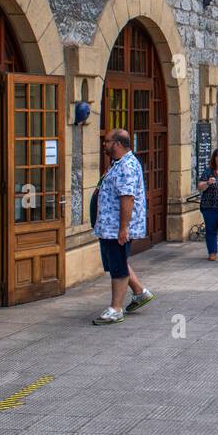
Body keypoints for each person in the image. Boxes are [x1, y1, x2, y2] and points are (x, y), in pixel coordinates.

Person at [92, 128, 154, 324]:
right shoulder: (118, 164)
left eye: (107, 141)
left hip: (115, 228)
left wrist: (123, 228)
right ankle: (139, 292)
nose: (104, 144)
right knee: (118, 262)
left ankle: (115, 309)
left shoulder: (126, 166)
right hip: (108, 227)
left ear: (117, 144)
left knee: (118, 267)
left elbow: (127, 198)